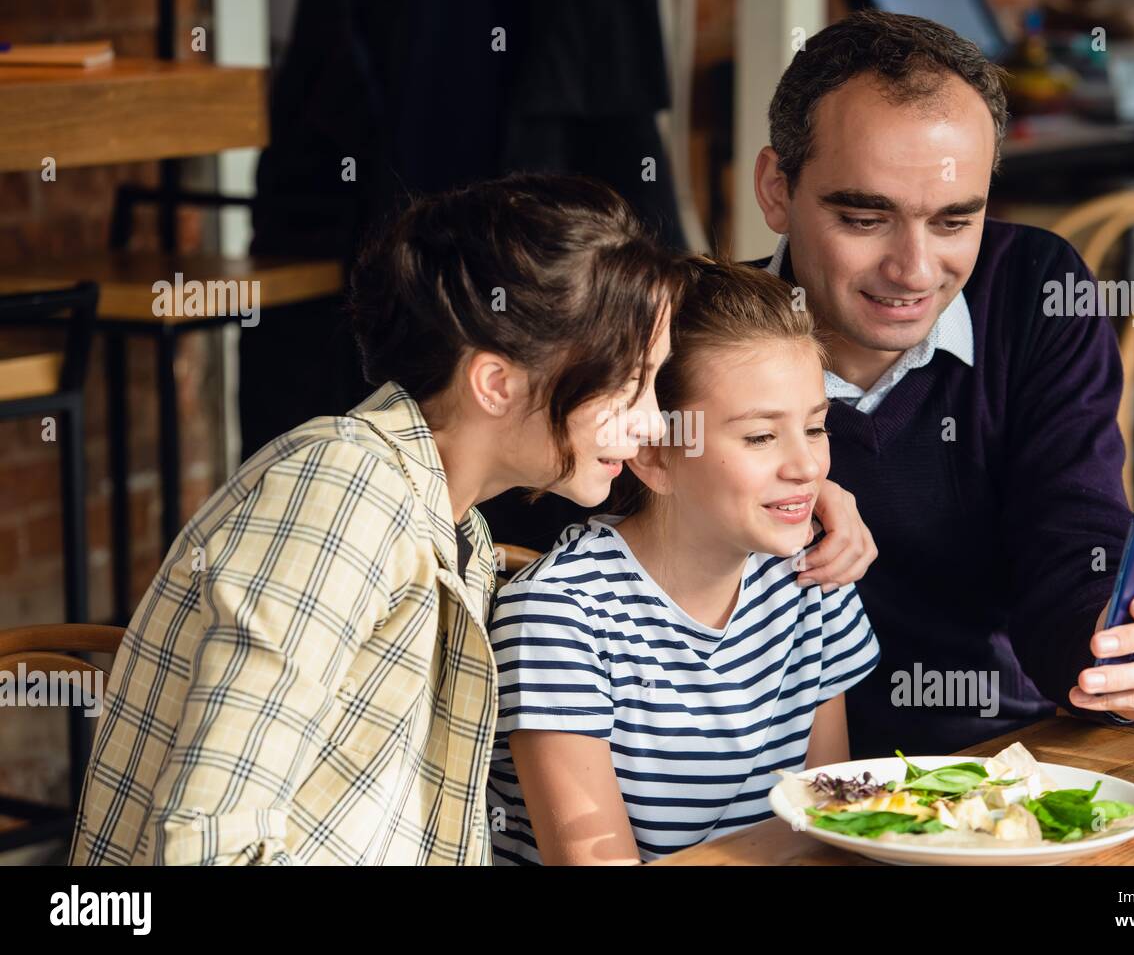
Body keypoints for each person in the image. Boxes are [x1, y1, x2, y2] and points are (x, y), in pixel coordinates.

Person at [69, 174, 682, 865]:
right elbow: (207, 844)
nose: (653, 421)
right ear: (495, 383)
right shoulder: (342, 490)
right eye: (628, 383)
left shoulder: (457, 531)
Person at [750, 10, 1134, 755]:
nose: (913, 271)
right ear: (777, 190)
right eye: (866, 219)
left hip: (1003, 757)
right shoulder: (693, 339)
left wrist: (1120, 647)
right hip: (754, 793)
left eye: (953, 221)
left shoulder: (1035, 289)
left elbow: (1071, 539)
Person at [487, 260, 879, 864]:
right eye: (759, 437)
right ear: (653, 453)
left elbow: (836, 826)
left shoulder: (812, 577)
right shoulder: (558, 617)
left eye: (816, 427)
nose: (806, 466)